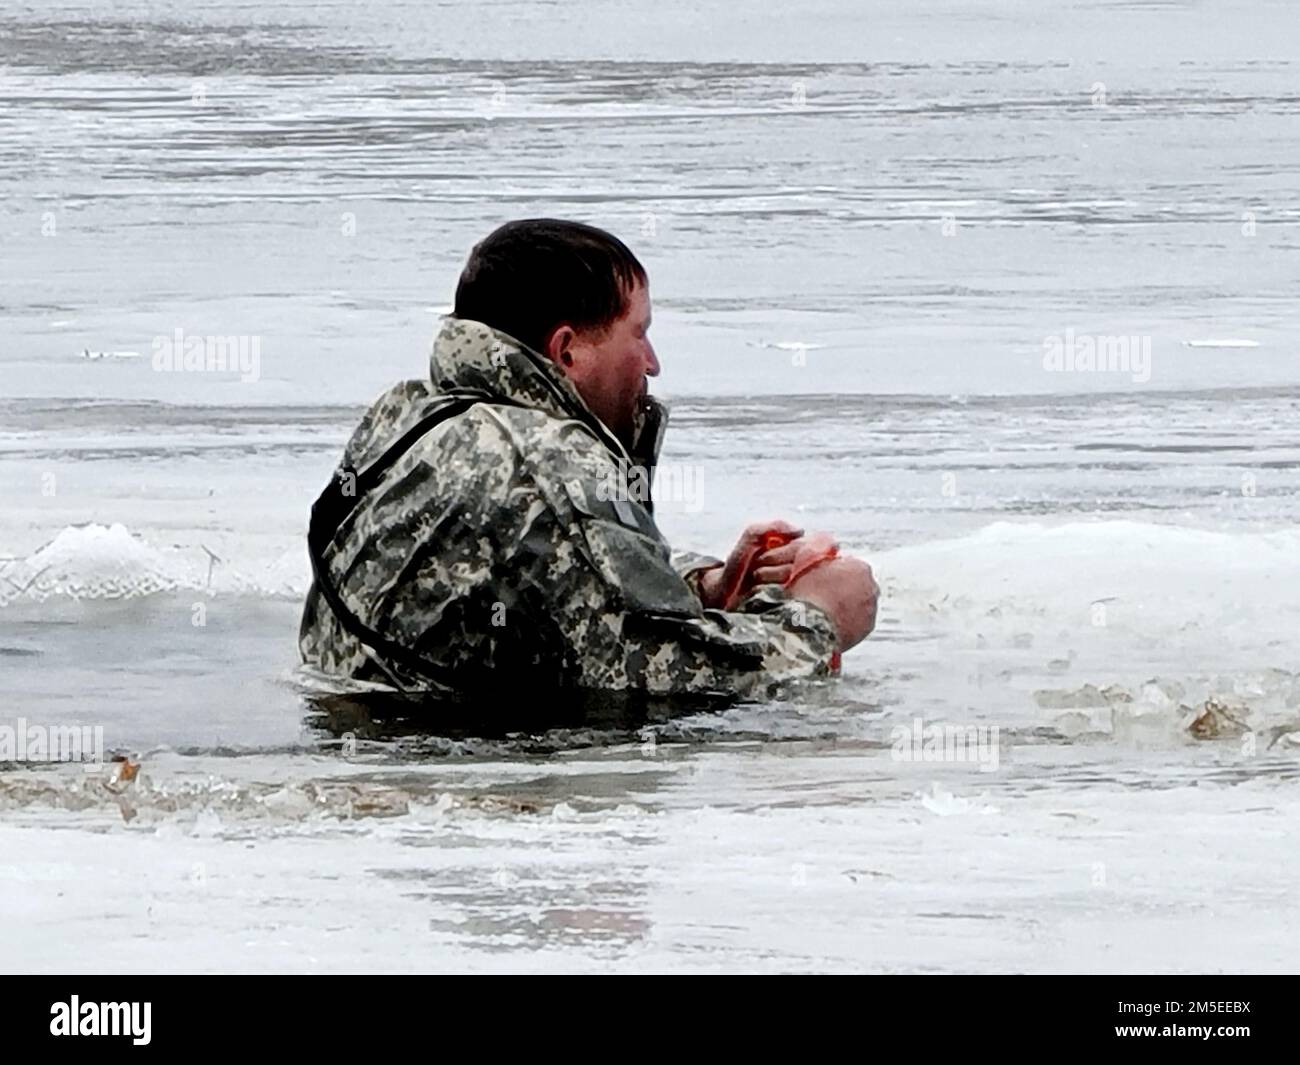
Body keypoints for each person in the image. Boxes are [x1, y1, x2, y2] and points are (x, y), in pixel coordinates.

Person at [299, 219, 878, 708]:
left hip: (356, 730)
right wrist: (819, 618)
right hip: (442, 773)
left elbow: (542, 577)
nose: (653, 364)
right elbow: (664, 679)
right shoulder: (545, 460)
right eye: (639, 333)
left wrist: (705, 587)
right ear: (567, 350)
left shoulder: (409, 417)